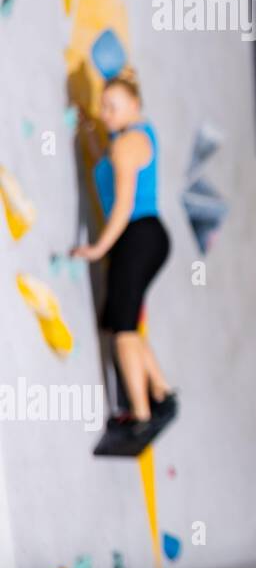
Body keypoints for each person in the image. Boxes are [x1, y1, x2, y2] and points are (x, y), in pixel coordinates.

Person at [73, 69, 176, 434]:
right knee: (125, 322)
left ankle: (142, 416)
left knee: (124, 331)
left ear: (135, 105)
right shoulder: (124, 141)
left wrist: (100, 247)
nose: (105, 113)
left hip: (137, 235)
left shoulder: (127, 144)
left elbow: (122, 205)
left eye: (112, 106)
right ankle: (161, 393)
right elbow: (104, 163)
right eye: (103, 106)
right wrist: (87, 131)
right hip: (144, 237)